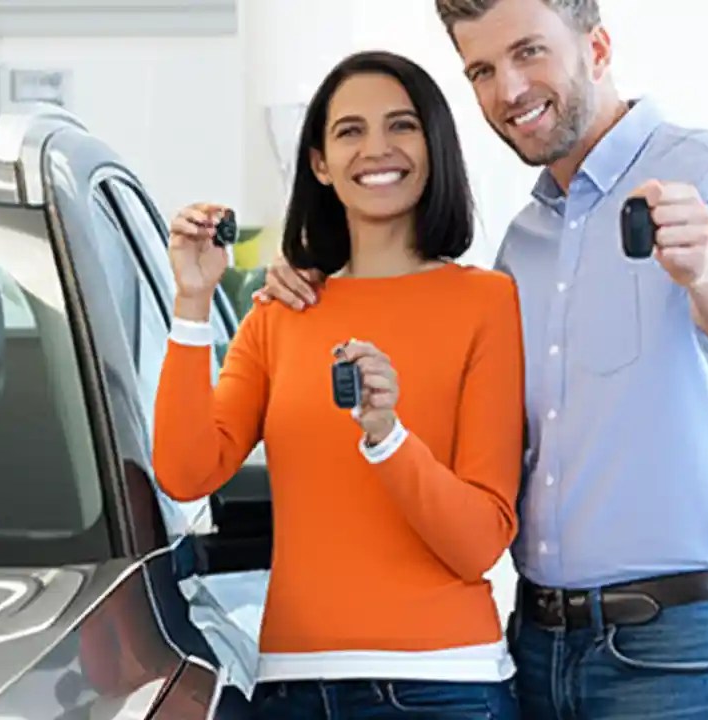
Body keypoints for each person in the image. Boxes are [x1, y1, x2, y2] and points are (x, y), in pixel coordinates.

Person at [256, 1, 708, 717]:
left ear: (596, 48)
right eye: (481, 69)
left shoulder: (706, 170)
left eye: (530, 52)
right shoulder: (521, 245)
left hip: (678, 651)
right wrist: (311, 282)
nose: (508, 90)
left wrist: (704, 268)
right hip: (536, 645)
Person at [153, 49, 525, 718]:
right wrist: (192, 301)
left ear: (435, 147)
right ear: (320, 163)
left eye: (401, 126)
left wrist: (387, 435)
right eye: (349, 131)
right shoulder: (283, 313)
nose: (376, 148)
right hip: (293, 687)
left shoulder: (488, 303)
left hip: (445, 688)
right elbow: (184, 470)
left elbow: (479, 545)